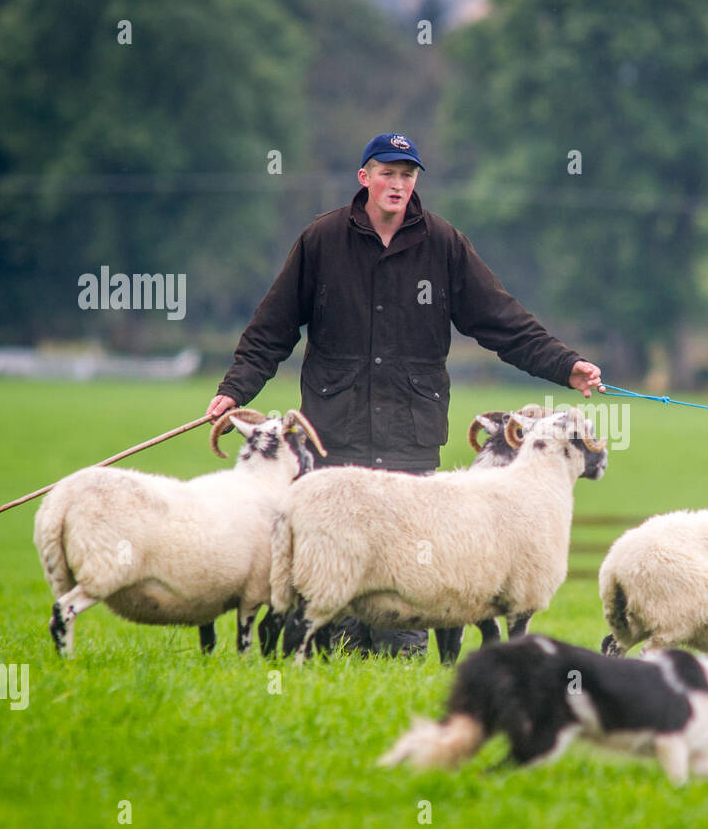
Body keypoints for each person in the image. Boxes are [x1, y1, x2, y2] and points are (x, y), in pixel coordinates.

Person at [207, 132, 602, 657]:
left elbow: (502, 322)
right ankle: (323, 684)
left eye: (408, 174)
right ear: (363, 177)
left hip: (408, 450)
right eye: (387, 172)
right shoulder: (321, 241)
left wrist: (565, 366)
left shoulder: (442, 244)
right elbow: (271, 330)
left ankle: (397, 682)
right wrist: (234, 392)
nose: (398, 183)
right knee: (335, 609)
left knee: (408, 602)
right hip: (335, 446)